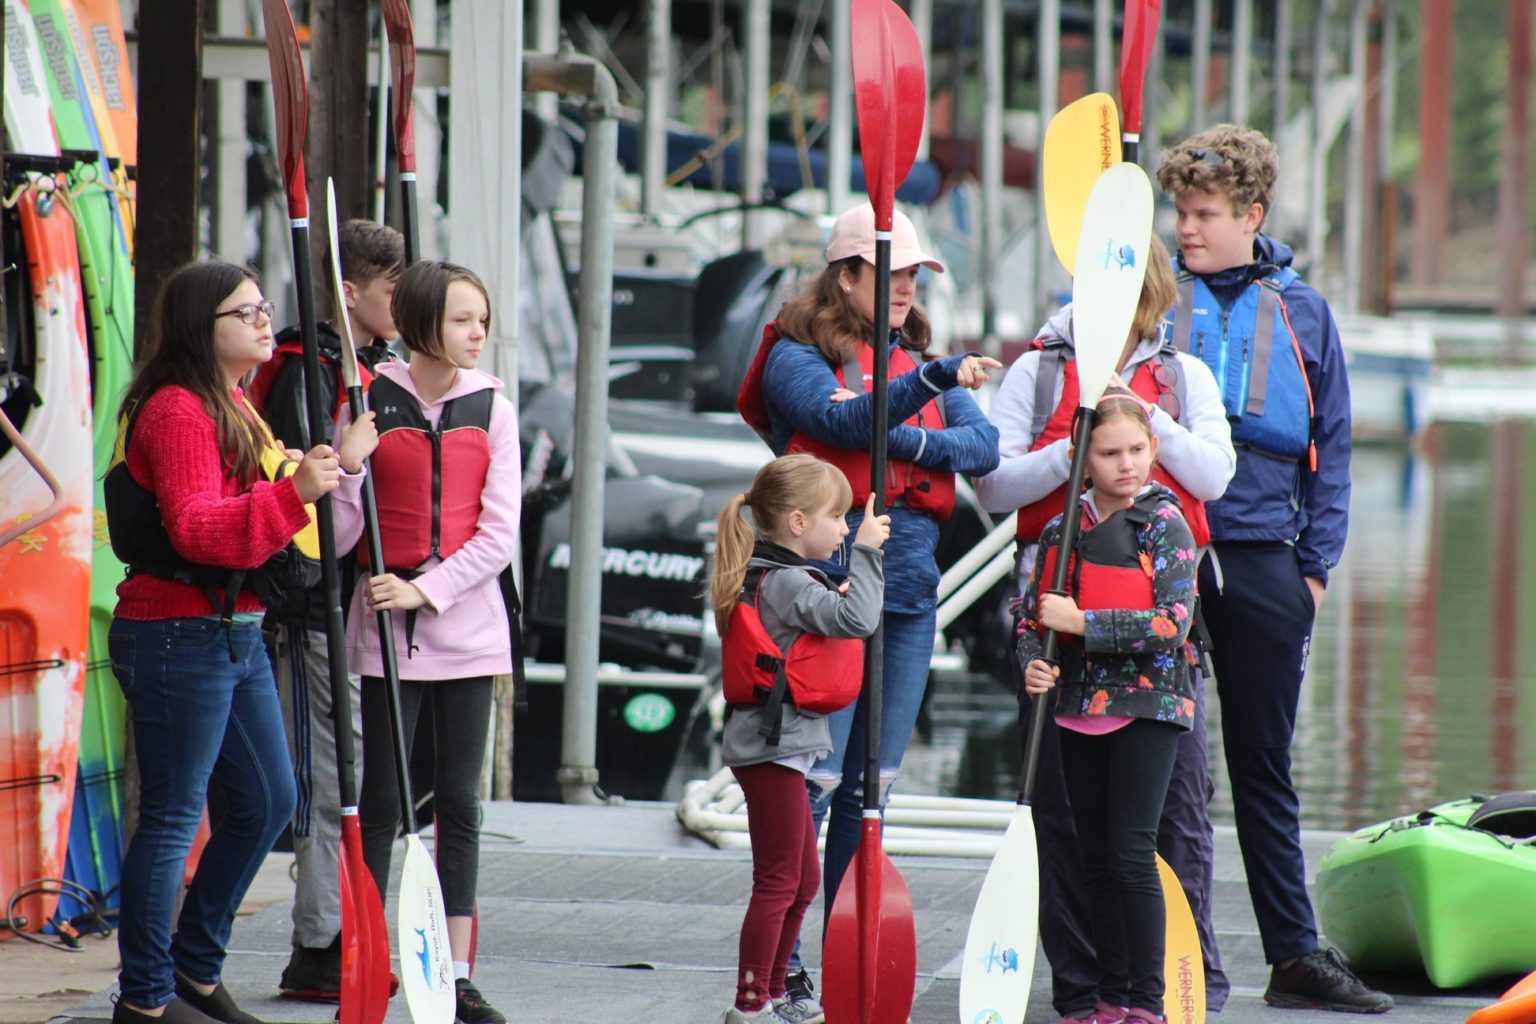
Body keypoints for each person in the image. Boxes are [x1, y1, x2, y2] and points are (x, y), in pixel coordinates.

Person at [735, 203, 1001, 1019]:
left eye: (915, 277)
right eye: (892, 274)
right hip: (825, 604)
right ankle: (776, 977)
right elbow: (842, 420)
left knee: (868, 794)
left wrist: (914, 440)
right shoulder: (793, 355)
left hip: (908, 598)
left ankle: (836, 955)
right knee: (812, 792)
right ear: (846, 274)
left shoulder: (914, 358)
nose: (907, 288)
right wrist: (930, 389)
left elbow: (984, 450)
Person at [103, 261, 376, 1024]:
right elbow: (195, 526)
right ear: (203, 327)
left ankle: (192, 970)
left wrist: (316, 470)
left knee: (265, 801)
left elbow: (257, 496)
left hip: (236, 625)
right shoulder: (179, 411)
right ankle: (148, 999)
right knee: (174, 815)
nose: (264, 322)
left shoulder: (232, 402)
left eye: (263, 308)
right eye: (245, 312)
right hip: (177, 628)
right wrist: (297, 489)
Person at [1156, 124, 1390, 1013]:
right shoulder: (1151, 298)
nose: (1187, 230)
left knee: (1262, 764)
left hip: (1263, 562)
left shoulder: (1305, 313)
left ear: (1251, 215)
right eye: (1180, 212)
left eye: (1205, 214)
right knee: (1156, 765)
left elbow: (1332, 444)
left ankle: (1293, 958)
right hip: (1158, 552)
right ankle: (1156, 953)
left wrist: (1315, 570)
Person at [973, 234, 1235, 1022]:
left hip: (1155, 658)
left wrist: (1136, 412)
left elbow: (1213, 477)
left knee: (1173, 820)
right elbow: (990, 486)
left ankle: (1176, 990)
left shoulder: (1183, 376)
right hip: (1061, 641)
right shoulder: (1039, 367)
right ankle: (1086, 991)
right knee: (1070, 824)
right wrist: (1075, 451)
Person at [330, 259, 521, 1024]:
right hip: (384, 636)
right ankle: (368, 966)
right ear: (420, 326)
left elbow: (500, 533)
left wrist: (426, 589)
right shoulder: (370, 401)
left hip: (469, 632)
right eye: (463, 321)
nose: (479, 334)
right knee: (381, 803)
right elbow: (342, 534)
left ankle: (457, 972)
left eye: (482, 319)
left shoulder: (494, 407)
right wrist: (348, 467)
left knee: (462, 808)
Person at [247, 219, 405, 1002]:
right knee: (325, 774)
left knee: (364, 771)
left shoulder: (372, 364)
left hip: (367, 604)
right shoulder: (306, 371)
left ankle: (355, 926)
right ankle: (319, 944)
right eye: (390, 288)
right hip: (314, 601)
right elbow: (305, 485)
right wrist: (349, 454)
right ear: (351, 293)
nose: (403, 302)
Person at [1017, 389, 1201, 1024]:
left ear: (1152, 450)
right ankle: (1109, 997)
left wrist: (1084, 622)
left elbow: (1172, 624)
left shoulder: (1165, 524)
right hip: (1077, 706)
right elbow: (1031, 619)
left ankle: (1146, 1004)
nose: (1126, 464)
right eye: (1109, 453)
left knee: (1129, 852)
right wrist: (1034, 663)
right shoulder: (1058, 531)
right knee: (1093, 857)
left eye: (1136, 450)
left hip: (1150, 705)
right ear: (1081, 459)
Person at [711, 455, 890, 1024]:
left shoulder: (778, 576)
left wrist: (854, 544)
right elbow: (858, 617)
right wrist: (865, 550)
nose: (842, 527)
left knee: (802, 878)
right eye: (836, 517)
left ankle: (772, 991)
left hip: (782, 747)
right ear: (795, 523)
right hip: (772, 750)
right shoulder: (787, 582)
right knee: (779, 880)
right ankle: (750, 1002)